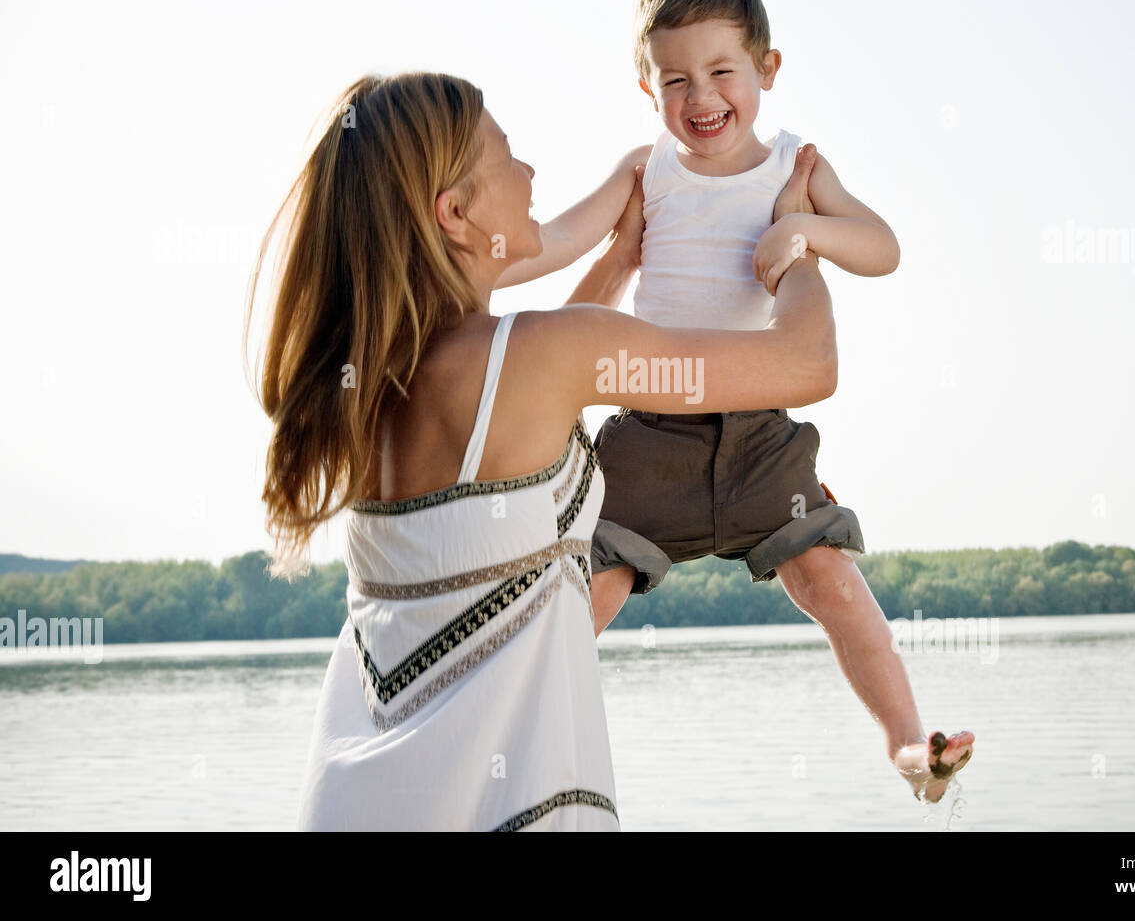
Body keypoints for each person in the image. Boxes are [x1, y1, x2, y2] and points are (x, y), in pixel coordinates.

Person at [245, 71, 839, 830]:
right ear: (455, 213)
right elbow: (805, 363)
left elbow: (526, 387)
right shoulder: (541, 357)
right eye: (508, 156)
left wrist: (622, 260)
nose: (529, 174)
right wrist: (795, 239)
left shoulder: (371, 381)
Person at [496, 0, 973, 802]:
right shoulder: (645, 173)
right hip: (651, 436)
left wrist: (803, 228)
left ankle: (909, 747)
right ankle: (504, 745)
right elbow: (551, 242)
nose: (700, 96)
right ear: (647, 88)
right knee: (587, 593)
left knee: (830, 581)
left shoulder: (796, 166)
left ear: (767, 71)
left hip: (761, 438)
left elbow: (885, 248)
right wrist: (453, 261)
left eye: (723, 72)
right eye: (675, 78)